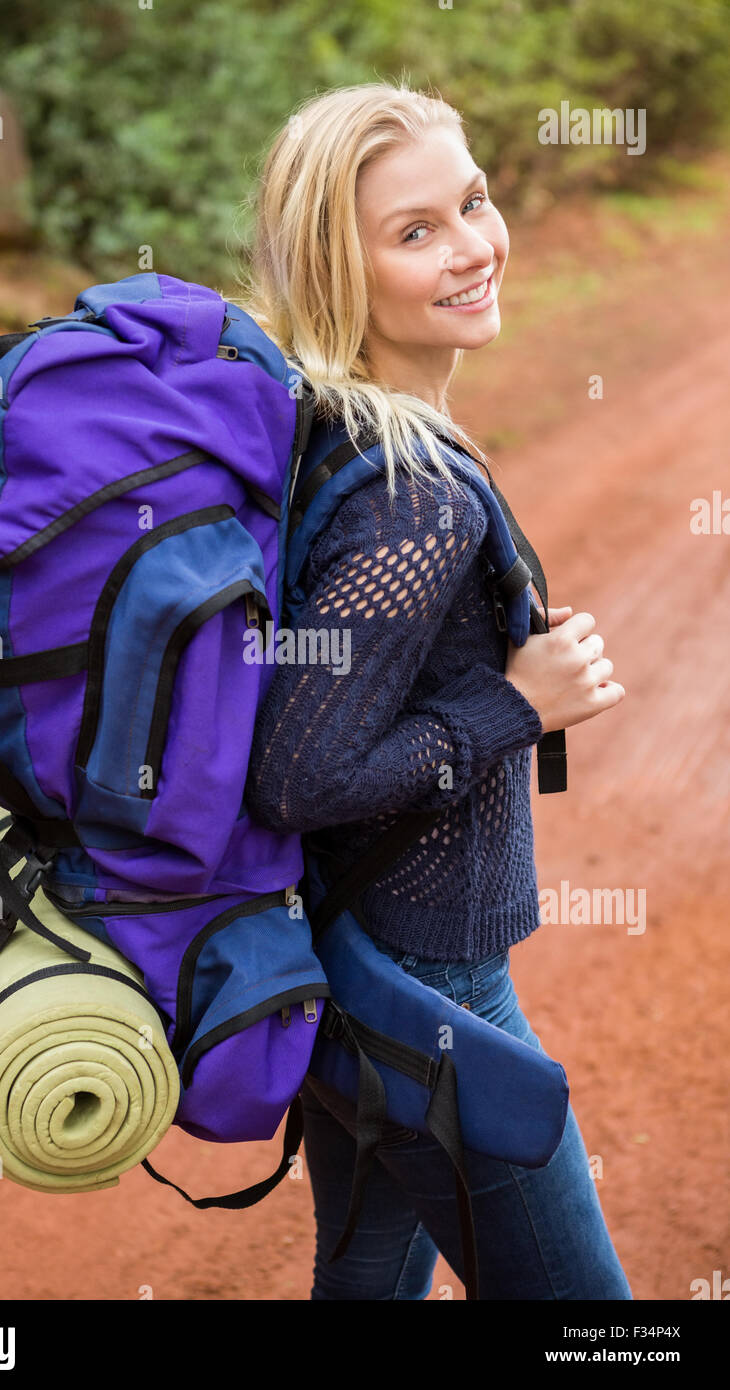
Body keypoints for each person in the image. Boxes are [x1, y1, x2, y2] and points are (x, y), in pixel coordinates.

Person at [237, 81, 632, 1301]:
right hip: (428, 987)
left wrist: (480, 655)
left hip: (358, 954)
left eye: (470, 201)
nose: (472, 246)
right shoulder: (412, 493)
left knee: (364, 1280)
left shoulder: (328, 431)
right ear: (334, 268)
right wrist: (514, 702)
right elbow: (298, 772)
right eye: (414, 232)